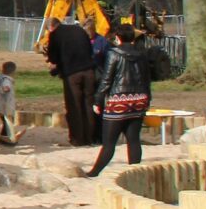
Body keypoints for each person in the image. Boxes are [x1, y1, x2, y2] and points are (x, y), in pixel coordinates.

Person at [84, 24, 156, 178]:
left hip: (119, 100)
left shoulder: (113, 54)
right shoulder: (142, 54)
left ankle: (94, 172)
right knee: (134, 140)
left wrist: (98, 100)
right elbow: (147, 79)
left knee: (109, 143)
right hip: (139, 99)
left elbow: (106, 80)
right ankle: (135, 173)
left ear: (117, 37)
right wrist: (147, 99)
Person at [45, 17, 99, 147]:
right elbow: (89, 49)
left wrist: (53, 67)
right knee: (88, 105)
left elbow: (53, 58)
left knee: (74, 106)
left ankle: (77, 139)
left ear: (51, 27)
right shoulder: (78, 29)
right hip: (90, 71)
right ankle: (90, 137)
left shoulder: (55, 35)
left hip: (72, 74)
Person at [0, 60, 19, 146]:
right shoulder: (6, 80)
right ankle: (8, 139)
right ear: (13, 72)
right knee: (8, 122)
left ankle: (3, 138)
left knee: (6, 122)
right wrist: (5, 89)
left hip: (1, 105)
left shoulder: (1, 79)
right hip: (5, 106)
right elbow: (5, 88)